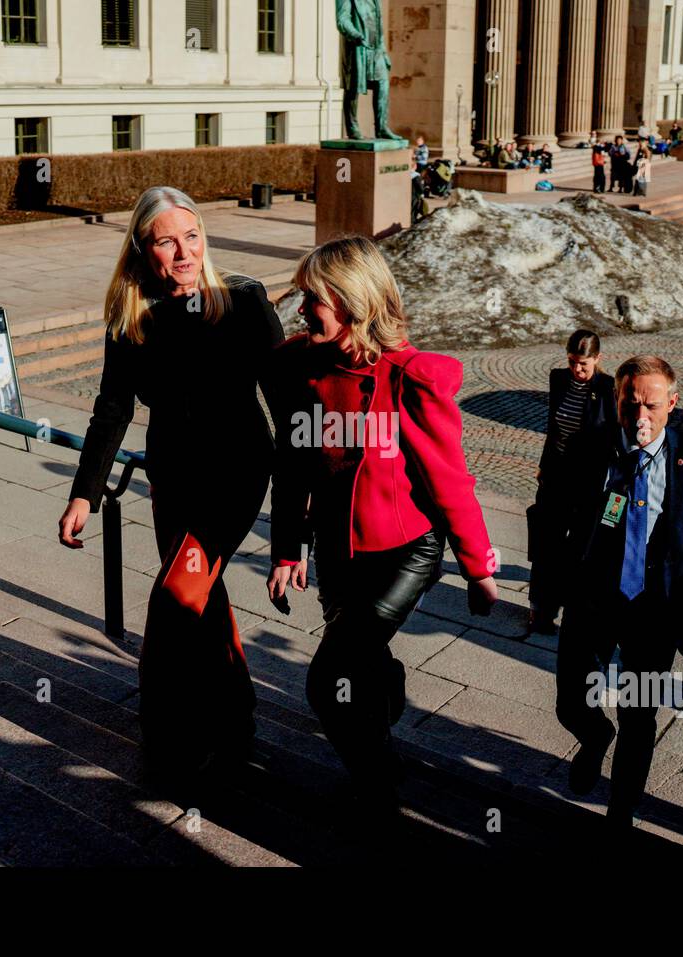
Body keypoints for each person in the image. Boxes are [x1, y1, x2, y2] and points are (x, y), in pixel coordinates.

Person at [266, 235, 498, 818]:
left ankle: (377, 794)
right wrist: (288, 549)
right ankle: (384, 719)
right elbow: (293, 465)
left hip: (406, 552)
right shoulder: (302, 366)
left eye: (312, 298)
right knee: (363, 670)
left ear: (352, 301)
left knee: (326, 682)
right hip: (337, 552)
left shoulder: (408, 377)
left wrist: (477, 567)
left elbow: (449, 479)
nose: (301, 309)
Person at [58, 186, 284, 781]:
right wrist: (84, 492)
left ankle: (168, 741)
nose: (184, 252)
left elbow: (288, 409)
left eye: (192, 236)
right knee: (200, 597)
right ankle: (237, 715)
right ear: (142, 250)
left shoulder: (243, 302)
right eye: (167, 241)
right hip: (173, 479)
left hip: (236, 475)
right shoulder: (131, 318)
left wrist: (298, 515)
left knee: (174, 600)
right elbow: (112, 408)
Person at [550, 355, 683, 830]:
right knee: (571, 700)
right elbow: (552, 520)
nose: (640, 418)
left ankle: (621, 811)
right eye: (631, 406)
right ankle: (593, 736)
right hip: (593, 596)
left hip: (658, 604)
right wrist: (544, 593)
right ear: (617, 401)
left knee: (639, 713)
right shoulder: (590, 448)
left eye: (651, 406)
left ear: (673, 403)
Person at [526, 330, 616, 635]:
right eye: (572, 362)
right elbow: (554, 427)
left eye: (584, 365)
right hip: (555, 476)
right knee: (545, 544)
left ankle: (573, 611)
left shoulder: (608, 388)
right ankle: (540, 610)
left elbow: (613, 438)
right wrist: (543, 464)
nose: (577, 370)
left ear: (597, 360)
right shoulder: (559, 379)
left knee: (577, 549)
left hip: (587, 484)